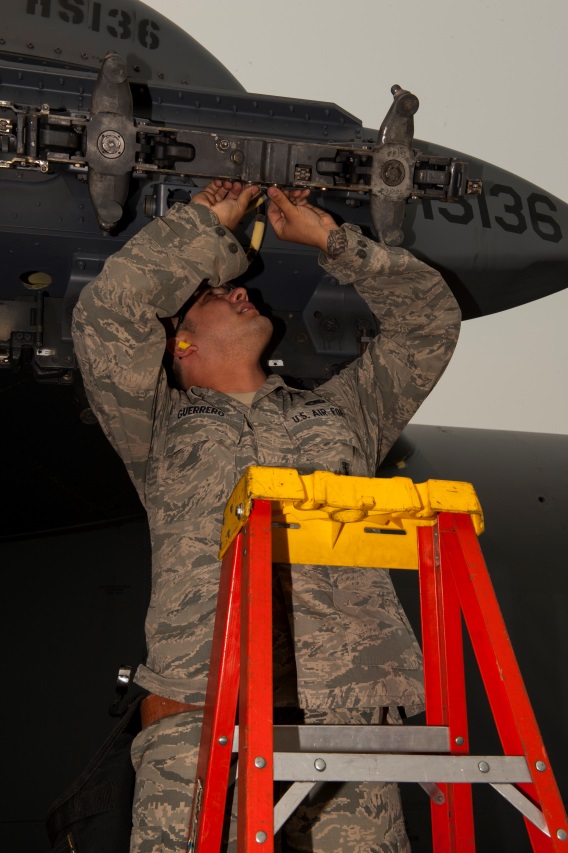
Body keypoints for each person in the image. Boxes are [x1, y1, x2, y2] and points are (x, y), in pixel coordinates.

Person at [72, 179, 461, 852]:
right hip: (199, 727)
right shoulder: (157, 427)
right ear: (179, 344)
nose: (241, 289)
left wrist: (332, 242)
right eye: (215, 294)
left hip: (343, 724)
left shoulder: (345, 414)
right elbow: (111, 311)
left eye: (235, 287)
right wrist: (203, 225)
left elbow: (430, 323)